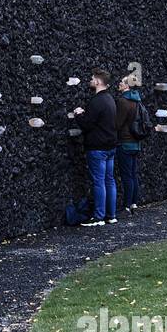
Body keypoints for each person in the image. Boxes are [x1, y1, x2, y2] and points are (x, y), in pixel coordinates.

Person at [72, 68, 117, 226]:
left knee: (98, 181)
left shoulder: (96, 101)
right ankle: (111, 215)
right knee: (109, 181)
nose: (90, 80)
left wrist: (78, 114)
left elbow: (87, 124)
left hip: (97, 147)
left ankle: (99, 217)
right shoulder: (110, 99)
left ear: (98, 81)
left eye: (92, 78)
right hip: (111, 146)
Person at [114, 76, 143, 213]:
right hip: (136, 142)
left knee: (126, 175)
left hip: (124, 142)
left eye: (122, 82)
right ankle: (134, 203)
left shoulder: (122, 101)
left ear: (127, 86)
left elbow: (117, 124)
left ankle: (127, 204)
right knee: (133, 174)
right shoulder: (137, 100)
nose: (119, 83)